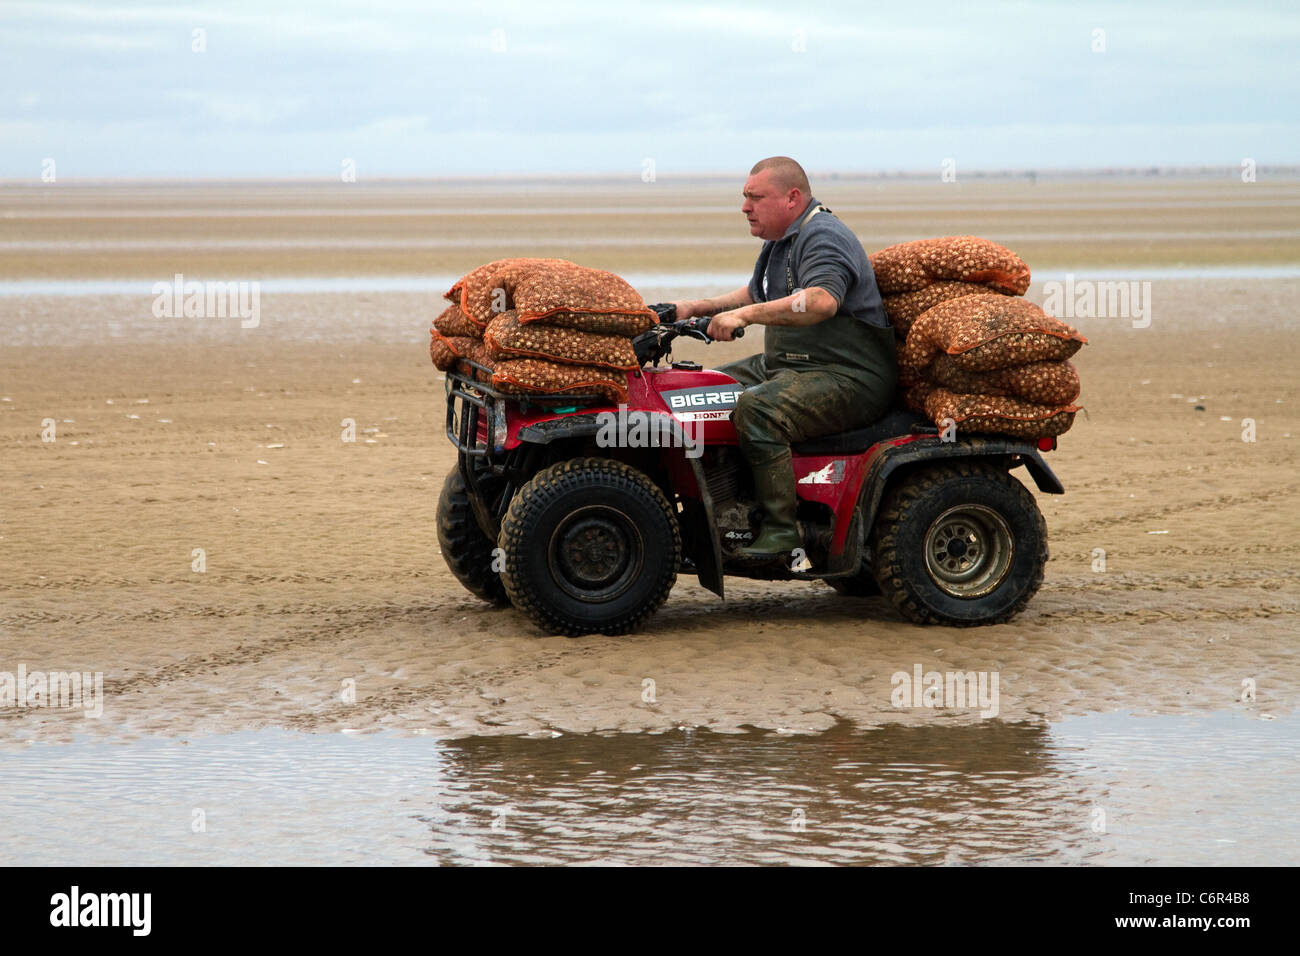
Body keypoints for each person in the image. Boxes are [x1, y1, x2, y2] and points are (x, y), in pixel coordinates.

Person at [672, 156, 897, 560]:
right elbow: (756, 292)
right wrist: (697, 307)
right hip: (792, 362)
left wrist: (743, 317)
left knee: (758, 410)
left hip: (848, 375)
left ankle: (781, 529)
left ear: (792, 198)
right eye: (744, 198)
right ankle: (730, 505)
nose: (745, 207)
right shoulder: (782, 242)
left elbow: (822, 300)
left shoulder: (823, 235)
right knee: (702, 393)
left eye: (755, 198)